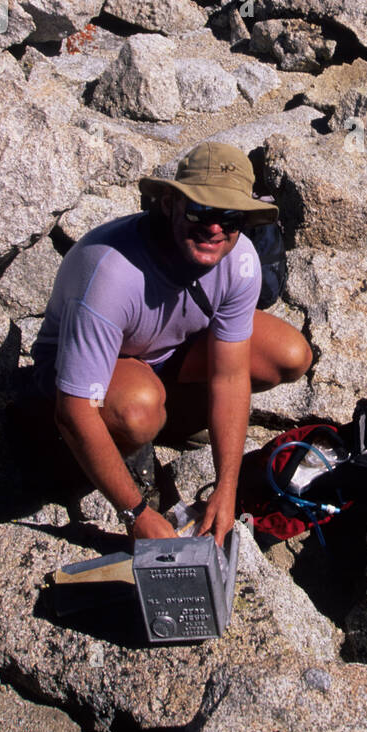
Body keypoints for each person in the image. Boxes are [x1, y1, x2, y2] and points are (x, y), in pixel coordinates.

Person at [26, 143, 312, 544]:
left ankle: (162, 419)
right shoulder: (110, 273)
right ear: (168, 204)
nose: (215, 229)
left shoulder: (240, 259)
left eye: (230, 218)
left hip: (166, 356)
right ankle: (130, 434)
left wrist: (225, 488)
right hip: (79, 379)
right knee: (138, 409)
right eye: (199, 212)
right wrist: (136, 513)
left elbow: (229, 377)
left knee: (289, 354)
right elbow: (72, 410)